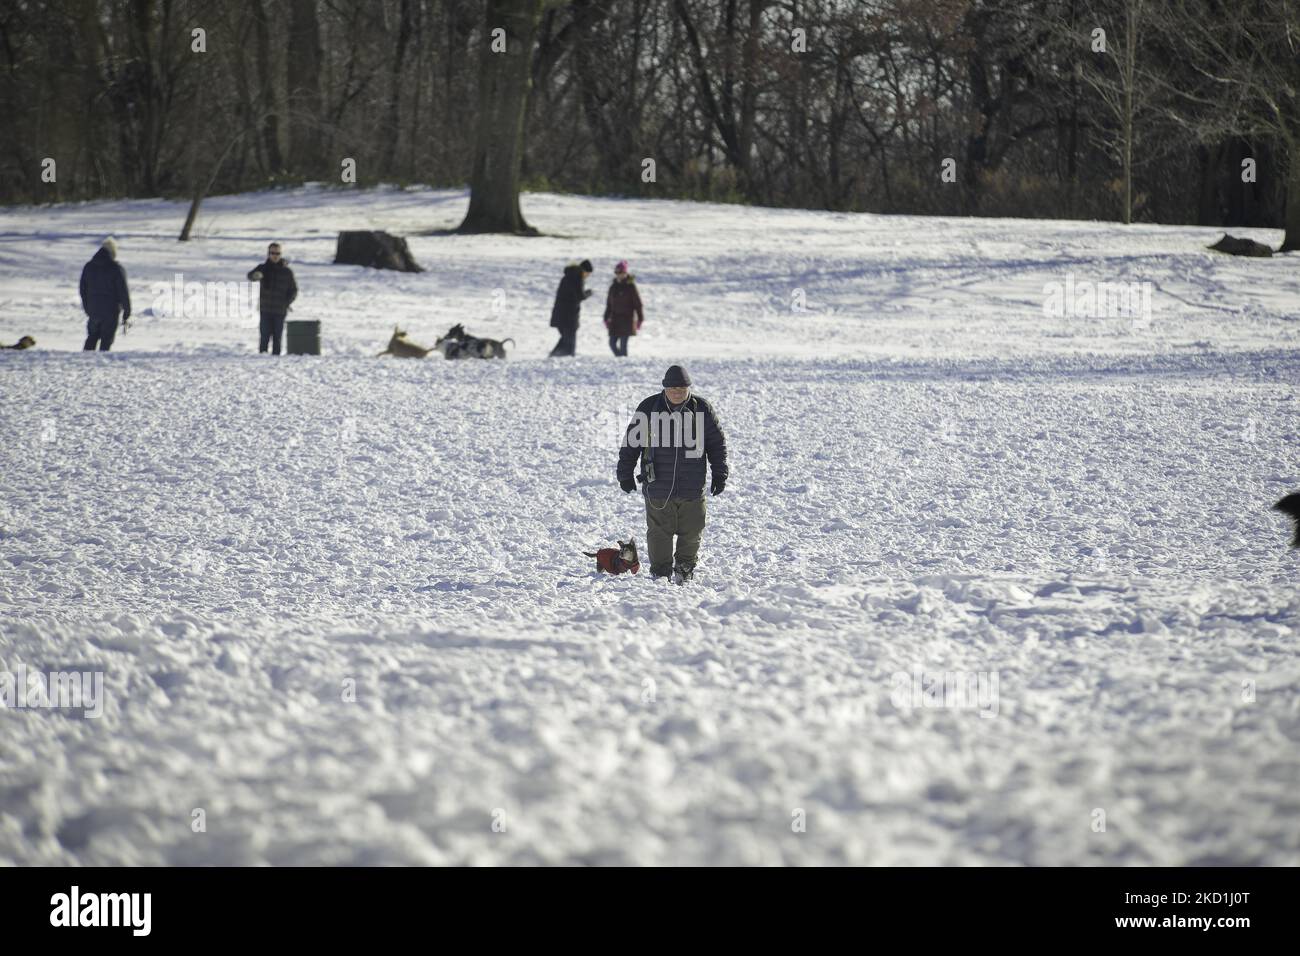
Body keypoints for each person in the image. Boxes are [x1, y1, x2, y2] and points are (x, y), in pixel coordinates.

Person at [617, 364, 728, 583]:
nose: (677, 391)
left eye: (682, 387)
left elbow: (716, 444)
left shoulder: (702, 409)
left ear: (689, 387)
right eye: (673, 387)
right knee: (659, 533)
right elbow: (631, 443)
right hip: (658, 484)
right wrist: (625, 474)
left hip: (692, 485)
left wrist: (720, 473)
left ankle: (685, 568)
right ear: (664, 388)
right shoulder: (649, 408)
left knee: (692, 530)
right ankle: (660, 572)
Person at [79, 237, 131, 351]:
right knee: (106, 340)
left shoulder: (89, 267)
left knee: (92, 337)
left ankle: (84, 361)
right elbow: (123, 292)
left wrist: (88, 308)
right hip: (110, 311)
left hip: (93, 310)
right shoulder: (116, 269)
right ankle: (102, 365)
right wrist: (127, 312)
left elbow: (82, 290)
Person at [247, 241, 298, 355]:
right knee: (264, 337)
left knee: (277, 339)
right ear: (268, 254)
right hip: (265, 309)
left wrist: (286, 303)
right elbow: (250, 276)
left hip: (280, 310)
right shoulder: (263, 268)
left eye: (278, 253)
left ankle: (275, 361)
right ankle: (261, 359)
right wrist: (255, 275)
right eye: (273, 253)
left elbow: (294, 290)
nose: (275, 255)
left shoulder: (287, 272)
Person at [549, 259, 592, 357]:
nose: (587, 276)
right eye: (588, 274)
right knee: (570, 344)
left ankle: (553, 356)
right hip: (569, 316)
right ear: (584, 271)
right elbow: (580, 296)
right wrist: (589, 292)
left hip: (560, 314)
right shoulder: (577, 278)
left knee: (565, 340)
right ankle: (558, 358)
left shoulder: (568, 276)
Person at [603, 260, 644, 357]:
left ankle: (623, 363)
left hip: (627, 320)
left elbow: (638, 305)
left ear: (625, 273)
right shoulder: (613, 287)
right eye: (617, 272)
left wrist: (640, 319)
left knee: (623, 345)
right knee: (612, 343)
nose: (619, 274)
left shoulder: (631, 287)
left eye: (621, 272)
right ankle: (620, 360)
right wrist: (606, 318)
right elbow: (609, 304)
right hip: (615, 320)